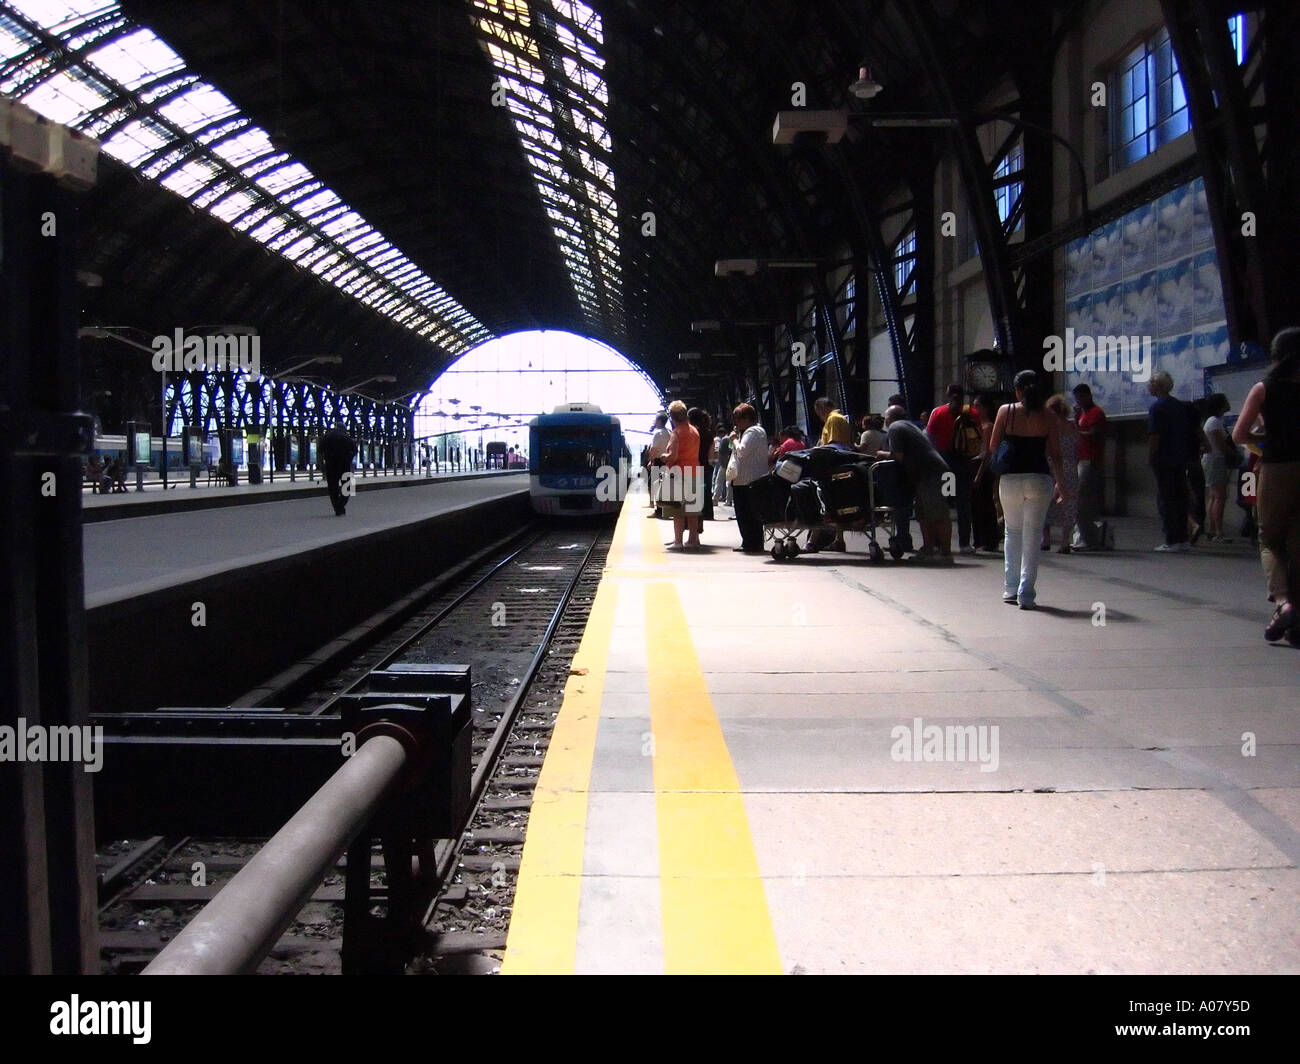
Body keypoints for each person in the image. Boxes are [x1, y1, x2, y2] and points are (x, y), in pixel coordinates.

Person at [1232, 327, 1300, 644]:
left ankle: (1285, 604)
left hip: (1277, 467)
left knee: (1269, 539)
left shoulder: (1264, 388)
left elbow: (1239, 435)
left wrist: (1262, 441)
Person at [989, 370, 1065, 608]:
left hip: (1010, 479)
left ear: (1017, 390)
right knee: (1033, 535)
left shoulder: (1006, 411)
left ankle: (1010, 588)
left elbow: (993, 445)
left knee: (1012, 532)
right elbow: (1055, 453)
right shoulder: (1049, 416)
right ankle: (1026, 592)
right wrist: (1061, 484)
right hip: (1040, 479)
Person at [876, 405, 952, 562]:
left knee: (938, 514)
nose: (885, 421)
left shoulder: (895, 428)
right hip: (938, 471)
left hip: (930, 473)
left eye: (886, 417)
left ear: (891, 418)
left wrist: (881, 454)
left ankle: (945, 554)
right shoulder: (911, 426)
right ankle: (928, 550)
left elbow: (898, 456)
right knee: (924, 514)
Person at [926, 384, 979, 555]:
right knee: (964, 504)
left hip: (945, 463)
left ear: (947, 395)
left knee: (942, 503)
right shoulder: (972, 412)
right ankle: (964, 543)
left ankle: (938, 543)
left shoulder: (939, 412)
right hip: (965, 462)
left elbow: (930, 437)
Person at [1147, 371, 1193, 552]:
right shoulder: (1179, 406)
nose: (1148, 387)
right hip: (1180, 456)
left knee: (1166, 499)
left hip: (1163, 458)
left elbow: (1154, 435)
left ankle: (1171, 539)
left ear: (1157, 386)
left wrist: (1151, 456)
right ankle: (1183, 538)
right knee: (1181, 497)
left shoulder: (1157, 408)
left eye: (1150, 383)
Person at [728, 403, 770, 553]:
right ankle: (750, 542)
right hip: (745, 479)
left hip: (748, 480)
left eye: (738, 418)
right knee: (747, 513)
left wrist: (733, 439)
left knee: (747, 513)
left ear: (747, 418)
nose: (736, 422)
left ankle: (752, 543)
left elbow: (742, 451)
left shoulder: (753, 431)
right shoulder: (752, 432)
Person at [661, 400, 701, 550]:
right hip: (694, 471)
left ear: (672, 417)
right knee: (692, 509)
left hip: (678, 474)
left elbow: (673, 456)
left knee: (677, 509)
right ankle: (693, 539)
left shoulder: (676, 433)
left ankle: (678, 541)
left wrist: (664, 456)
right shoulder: (694, 431)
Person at [1072, 384, 1107, 550]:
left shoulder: (1096, 413)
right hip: (1082, 458)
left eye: (1080, 398)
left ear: (1087, 396)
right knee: (1083, 500)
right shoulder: (1083, 414)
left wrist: (1077, 432)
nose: (1078, 401)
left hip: (1090, 459)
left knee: (1082, 500)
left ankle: (1089, 538)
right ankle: (1086, 536)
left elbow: (1094, 434)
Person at [1043, 394, 1079, 554]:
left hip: (1052, 467)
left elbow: (1047, 450)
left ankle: (1045, 539)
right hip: (1071, 468)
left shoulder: (1050, 428)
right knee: (1069, 505)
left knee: (1046, 505)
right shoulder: (1072, 426)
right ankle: (1065, 541)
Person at [1202, 393, 1236, 542]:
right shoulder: (1214, 422)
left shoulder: (1212, 421)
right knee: (1220, 496)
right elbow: (1220, 444)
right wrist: (1234, 453)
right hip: (1216, 460)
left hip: (1212, 460)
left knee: (1214, 496)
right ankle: (1218, 531)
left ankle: (1212, 529)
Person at [969, 395, 1000, 552]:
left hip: (983, 467)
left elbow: (987, 452)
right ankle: (980, 538)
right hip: (975, 463)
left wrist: (979, 474)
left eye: (978, 406)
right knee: (976, 505)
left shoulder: (988, 426)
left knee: (985, 504)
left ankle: (989, 538)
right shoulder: (976, 425)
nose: (976, 409)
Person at [320, 427, 358, 516]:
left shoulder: (326, 437)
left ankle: (337, 507)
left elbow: (320, 451)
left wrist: (322, 465)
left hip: (330, 465)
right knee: (348, 487)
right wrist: (349, 458)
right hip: (344, 465)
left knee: (333, 487)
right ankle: (340, 504)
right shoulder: (346, 438)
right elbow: (355, 450)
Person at [688, 407, 715, 524]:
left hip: (695, 465)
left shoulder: (692, 433)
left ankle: (698, 514)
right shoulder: (709, 433)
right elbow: (711, 454)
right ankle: (708, 513)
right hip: (706, 466)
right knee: (707, 491)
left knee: (695, 492)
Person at [646, 411, 672, 514]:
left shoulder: (657, 433)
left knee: (653, 484)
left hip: (658, 461)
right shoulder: (669, 432)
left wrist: (650, 461)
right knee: (663, 485)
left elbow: (653, 449)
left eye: (656, 419)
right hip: (668, 461)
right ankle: (662, 509)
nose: (654, 421)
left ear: (660, 421)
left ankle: (658, 509)